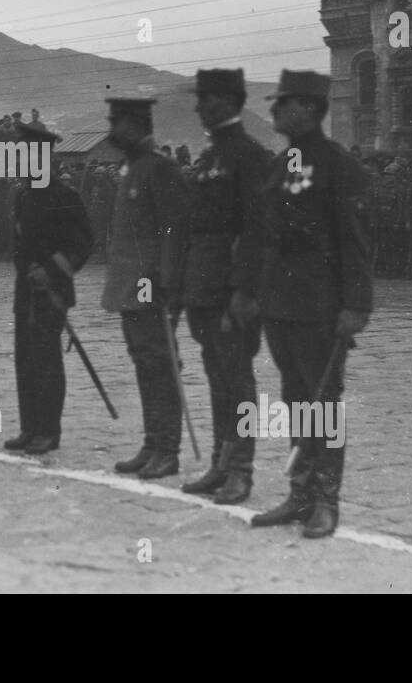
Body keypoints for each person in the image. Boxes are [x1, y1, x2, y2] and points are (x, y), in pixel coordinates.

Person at [250, 71, 372, 539]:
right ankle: (299, 495)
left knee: (324, 403)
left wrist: (355, 304)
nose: (276, 111)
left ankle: (326, 499)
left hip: (321, 302)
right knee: (296, 399)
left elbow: (357, 242)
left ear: (309, 108)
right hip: (280, 301)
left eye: (284, 104)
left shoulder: (339, 166)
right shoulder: (281, 165)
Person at [180, 69, 270, 504]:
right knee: (217, 377)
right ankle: (220, 462)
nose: (198, 107)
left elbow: (258, 232)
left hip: (232, 291)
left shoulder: (250, 157)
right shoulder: (211, 157)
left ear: (228, 102)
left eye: (206, 100)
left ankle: (241, 470)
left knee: (237, 380)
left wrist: (244, 290)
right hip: (204, 288)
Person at [100, 97, 190, 480]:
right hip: (130, 286)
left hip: (150, 285)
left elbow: (174, 231)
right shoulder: (133, 169)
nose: (111, 129)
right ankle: (152, 443)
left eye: (116, 122)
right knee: (144, 362)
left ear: (135, 125)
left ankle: (168, 449)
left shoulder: (160, 169)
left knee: (160, 364)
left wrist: (167, 284)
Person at [5, 123, 93, 454]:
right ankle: (30, 428)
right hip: (25, 293)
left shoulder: (64, 195)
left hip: (51, 293)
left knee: (47, 363)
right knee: (25, 361)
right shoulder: (24, 196)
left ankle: (48, 432)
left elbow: (83, 243)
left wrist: (51, 271)